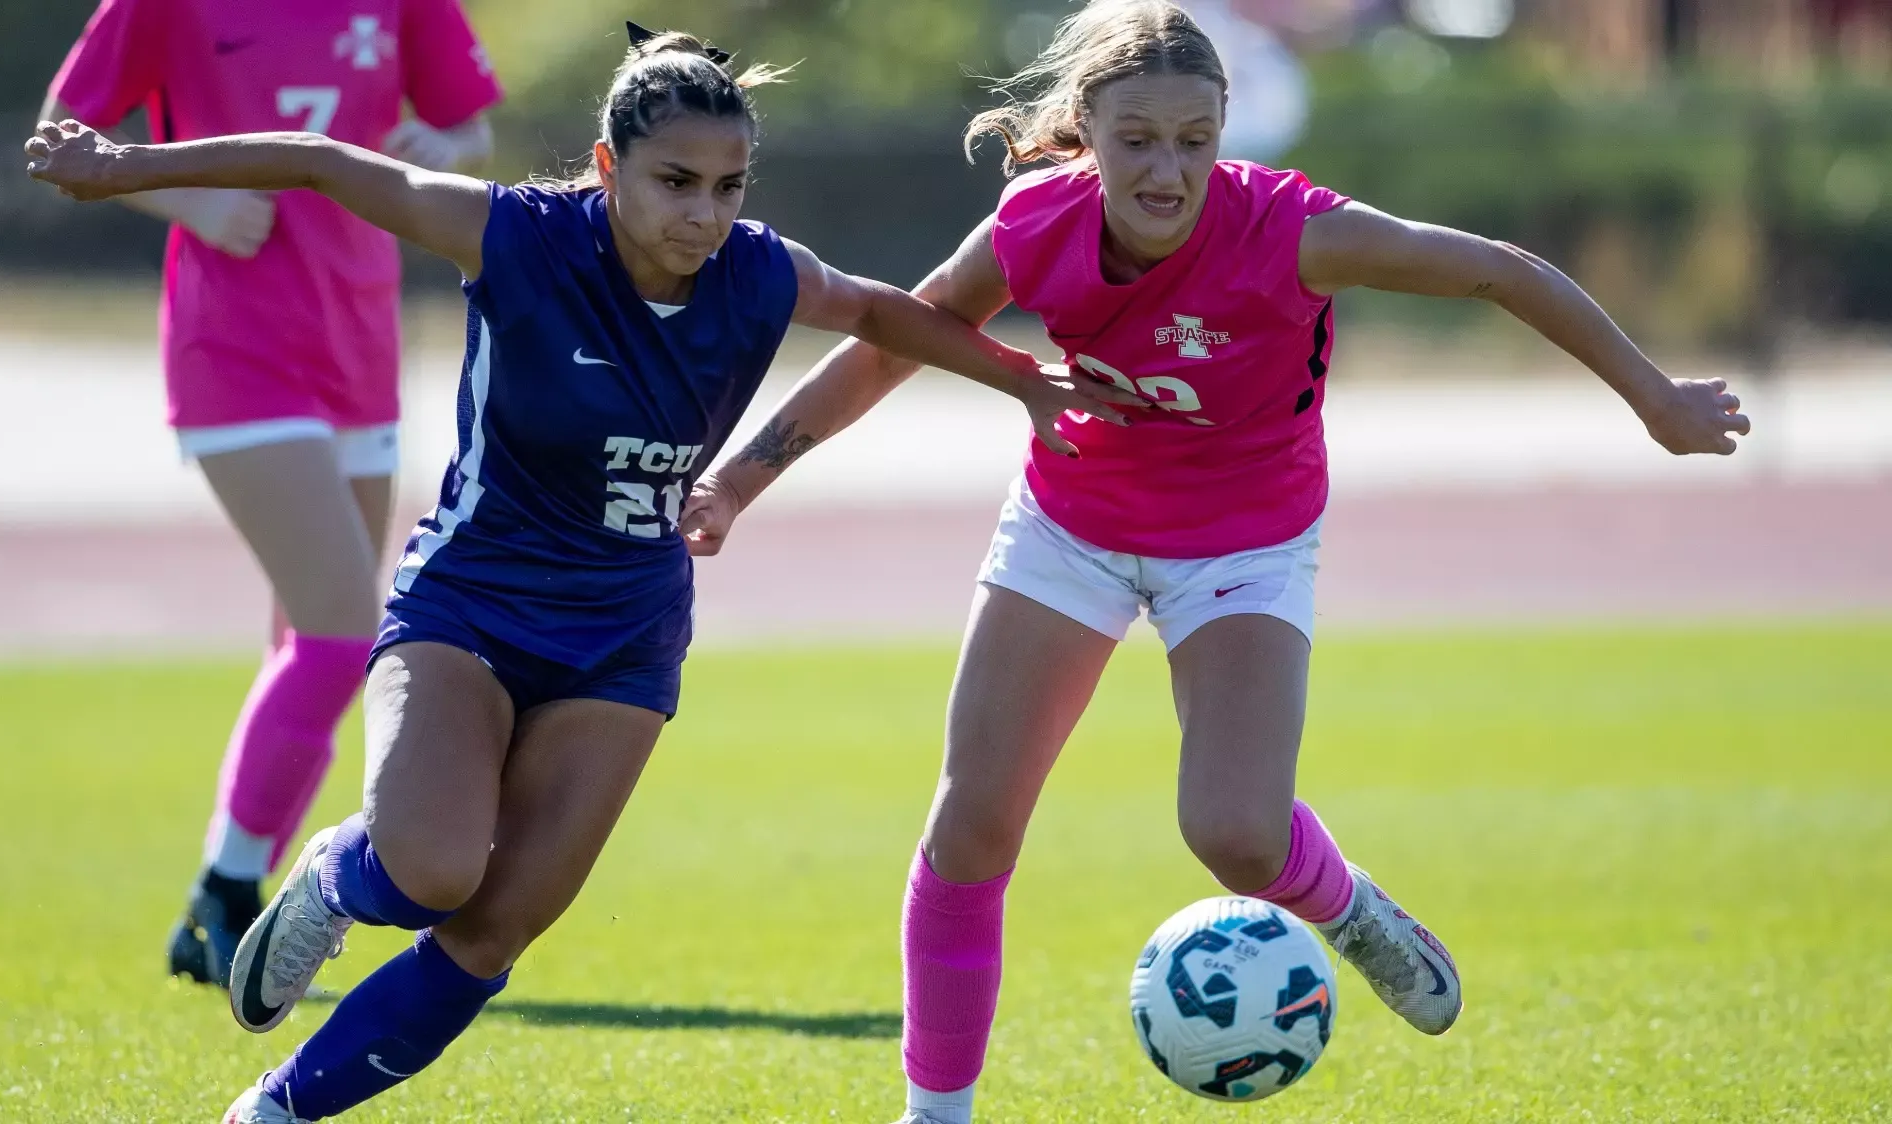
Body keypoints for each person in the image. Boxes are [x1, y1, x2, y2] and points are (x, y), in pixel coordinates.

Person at [29, 21, 1138, 1123]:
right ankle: (336, 876)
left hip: (624, 634)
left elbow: (875, 309)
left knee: (490, 930)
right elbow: (323, 163)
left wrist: (1021, 379)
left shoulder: (755, 273)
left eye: (728, 185)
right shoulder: (515, 237)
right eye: (673, 182)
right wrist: (126, 167)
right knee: (431, 866)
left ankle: (269, 1112)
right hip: (470, 602)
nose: (703, 214)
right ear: (607, 168)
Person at [680, 3, 1752, 1121]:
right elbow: (896, 334)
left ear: (1225, 131)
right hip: (1071, 524)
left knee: (1235, 833)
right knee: (971, 823)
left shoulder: (1290, 230)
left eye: (1193, 139)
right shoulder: (1031, 225)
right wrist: (743, 478)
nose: (1166, 166)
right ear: (1086, 129)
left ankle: (1351, 910)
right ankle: (933, 1112)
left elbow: (1496, 269)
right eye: (1136, 138)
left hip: (1245, 540)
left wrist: (1654, 399)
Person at [40, 0, 505, 986]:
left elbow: (472, 130)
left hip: (361, 343)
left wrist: (446, 143)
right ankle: (231, 892)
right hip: (233, 345)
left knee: (309, 647)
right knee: (342, 635)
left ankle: (213, 903)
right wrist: (188, 199)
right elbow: (59, 134)